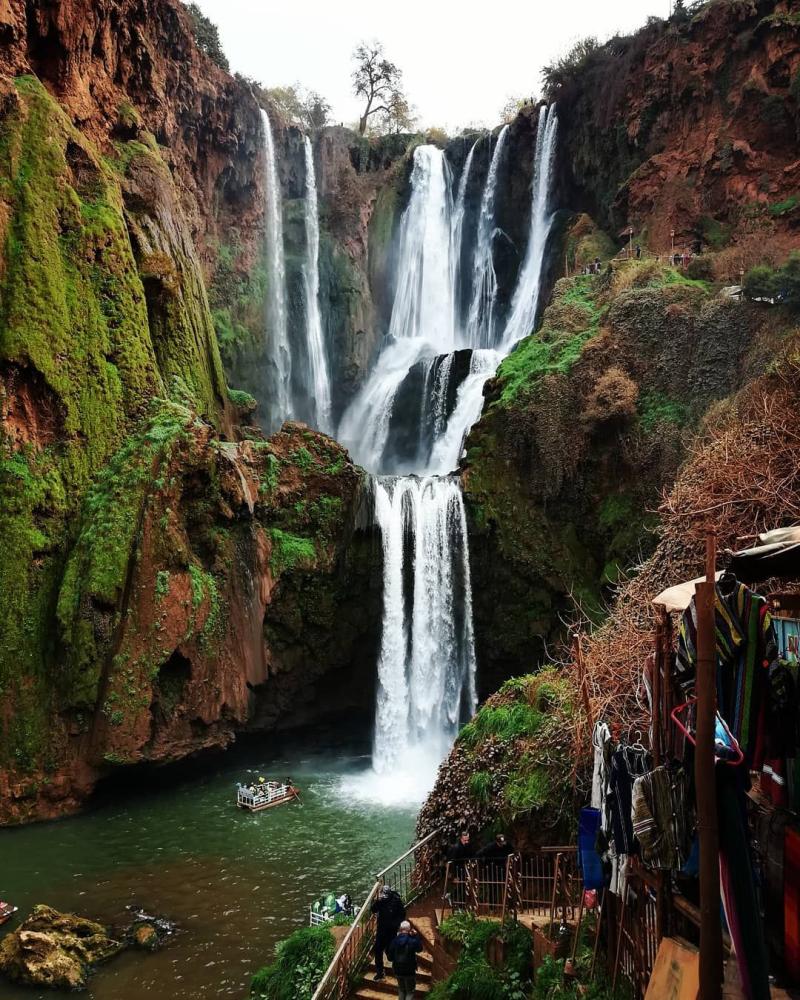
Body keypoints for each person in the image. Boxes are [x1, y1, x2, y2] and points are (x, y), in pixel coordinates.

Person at [370, 885, 406, 981]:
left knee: (390, 953)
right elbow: (373, 909)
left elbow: (402, 914)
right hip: (381, 930)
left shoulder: (396, 900)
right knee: (377, 950)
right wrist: (377, 901)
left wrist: (395, 924)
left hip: (391, 931)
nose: (384, 897)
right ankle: (380, 972)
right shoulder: (381, 901)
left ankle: (397, 967)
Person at [387, 920, 424, 1000]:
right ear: (409, 929)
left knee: (401, 989)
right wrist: (416, 936)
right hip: (409, 971)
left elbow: (389, 958)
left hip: (397, 970)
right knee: (410, 991)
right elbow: (420, 949)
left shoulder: (394, 941)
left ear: (400, 929)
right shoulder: (412, 940)